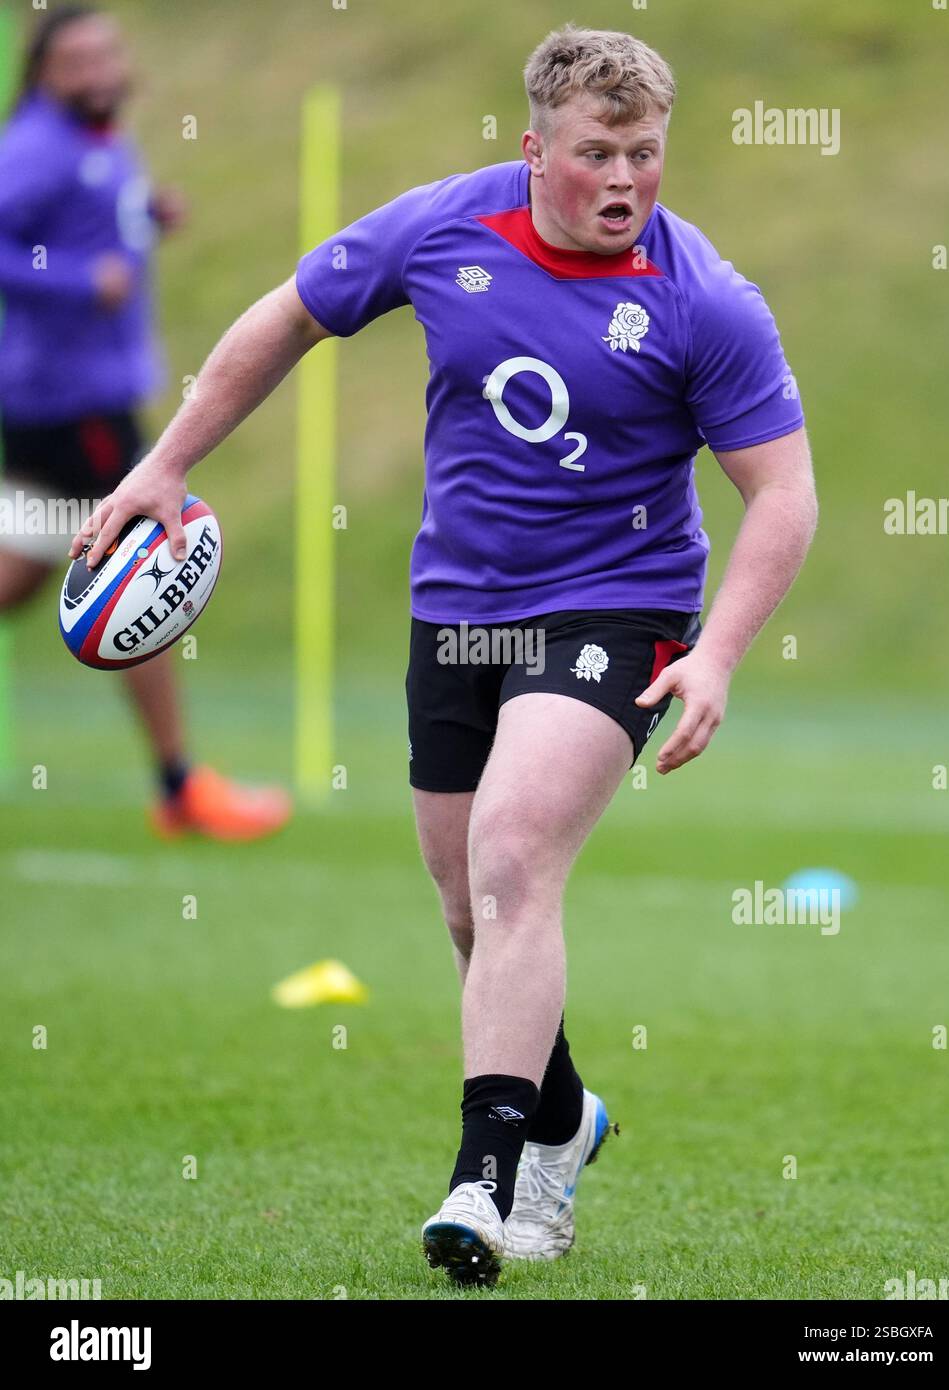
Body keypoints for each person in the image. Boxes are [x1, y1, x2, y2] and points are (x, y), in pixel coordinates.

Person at [71, 24, 818, 1284]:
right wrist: (167, 461)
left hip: (615, 611)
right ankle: (564, 1112)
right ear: (535, 151)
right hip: (456, 615)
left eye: (644, 152)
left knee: (515, 854)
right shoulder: (441, 229)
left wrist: (721, 654)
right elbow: (290, 314)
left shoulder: (705, 301)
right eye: (596, 153)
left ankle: (487, 1179)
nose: (624, 178)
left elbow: (783, 493)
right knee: (471, 908)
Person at [0, 5, 291, 841]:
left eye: (105, 54)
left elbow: (80, 229)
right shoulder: (37, 147)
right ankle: (179, 788)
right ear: (44, 72)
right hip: (67, 399)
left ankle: (177, 786)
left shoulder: (99, 140)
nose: (96, 69)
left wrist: (143, 221)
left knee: (22, 571)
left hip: (83, 396)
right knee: (147, 558)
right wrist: (75, 283)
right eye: (76, 59)